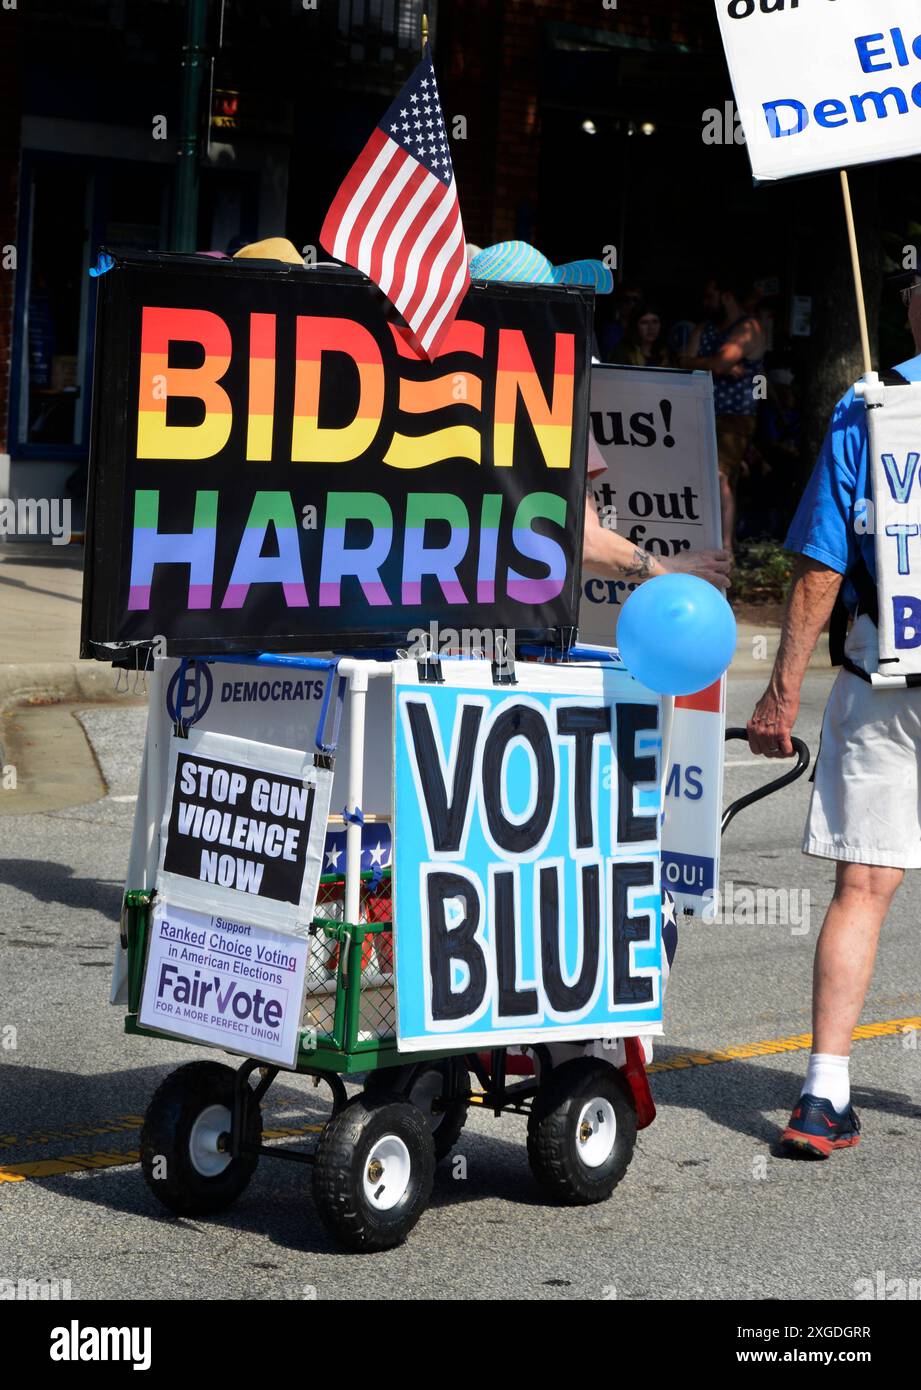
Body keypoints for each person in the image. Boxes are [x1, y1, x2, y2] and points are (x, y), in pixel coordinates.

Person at [746, 254, 921, 1159]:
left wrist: (780, 691)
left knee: (861, 887)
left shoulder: (869, 407)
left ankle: (822, 1095)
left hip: (879, 675)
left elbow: (819, 564)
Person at [468, 242, 731, 593]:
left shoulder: (420, 388)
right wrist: (673, 570)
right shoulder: (549, 404)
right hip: (512, 625)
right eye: (563, 303)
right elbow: (584, 541)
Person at [681, 275, 765, 549]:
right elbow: (683, 361)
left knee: (720, 476)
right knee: (700, 478)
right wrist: (715, 364)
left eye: (710, 296)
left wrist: (710, 364)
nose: (706, 303)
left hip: (733, 417)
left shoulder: (748, 328)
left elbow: (716, 364)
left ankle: (724, 549)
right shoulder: (705, 328)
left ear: (726, 296)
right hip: (699, 411)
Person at [609, 300, 671, 368]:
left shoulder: (667, 353)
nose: (651, 327)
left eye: (655, 322)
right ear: (635, 326)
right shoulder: (622, 353)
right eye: (644, 322)